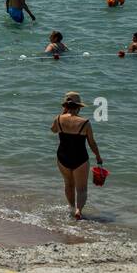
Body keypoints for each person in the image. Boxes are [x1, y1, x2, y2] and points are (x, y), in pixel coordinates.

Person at [51, 92, 102, 220]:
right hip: (80, 159)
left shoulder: (58, 119)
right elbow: (92, 143)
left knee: (68, 184)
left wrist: (62, 114)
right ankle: (79, 211)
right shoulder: (85, 123)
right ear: (79, 106)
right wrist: (98, 157)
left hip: (62, 157)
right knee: (81, 188)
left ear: (66, 106)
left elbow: (53, 130)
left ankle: (72, 207)